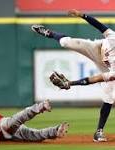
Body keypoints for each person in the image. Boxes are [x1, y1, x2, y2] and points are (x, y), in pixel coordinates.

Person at [31, 9, 115, 142]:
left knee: (109, 96)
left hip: (106, 67)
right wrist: (82, 15)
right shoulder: (113, 38)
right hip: (96, 48)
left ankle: (99, 131)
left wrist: (71, 83)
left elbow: (94, 79)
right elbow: (98, 25)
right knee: (65, 42)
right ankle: (49, 33)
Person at [0, 93, 69, 142]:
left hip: (3, 125)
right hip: (8, 136)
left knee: (19, 118)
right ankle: (56, 131)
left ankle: (41, 106)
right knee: (35, 136)